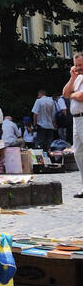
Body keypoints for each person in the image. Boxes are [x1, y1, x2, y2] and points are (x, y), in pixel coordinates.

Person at [62, 52, 83, 199]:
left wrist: (73, 94)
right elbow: (65, 93)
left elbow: (81, 96)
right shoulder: (77, 78)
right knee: (78, 153)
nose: (78, 67)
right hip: (76, 119)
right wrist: (72, 78)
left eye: (80, 65)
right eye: (76, 65)